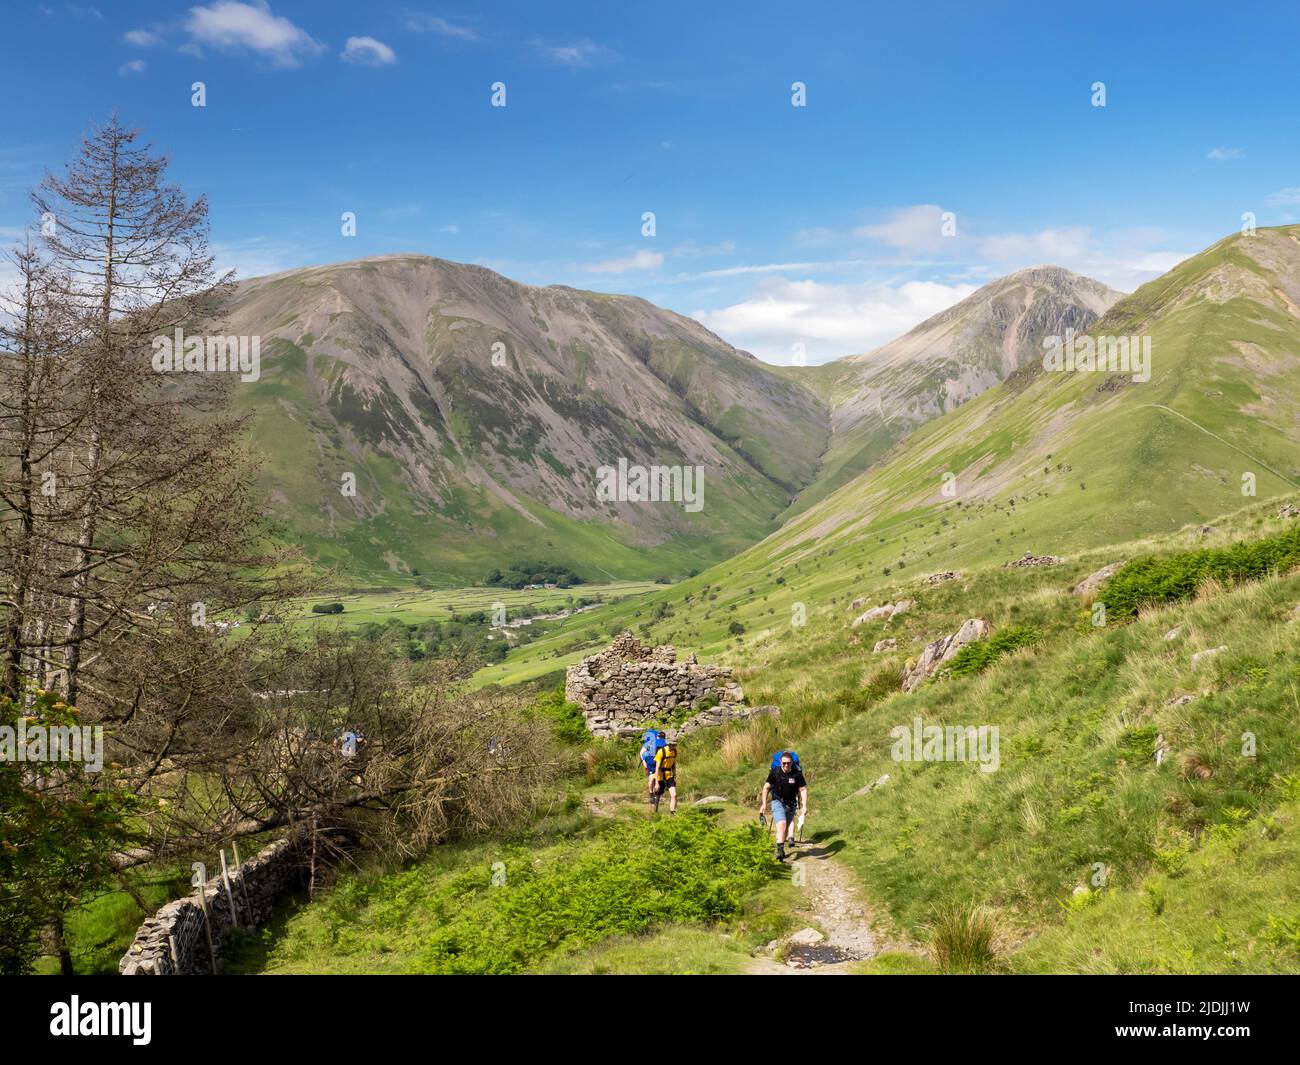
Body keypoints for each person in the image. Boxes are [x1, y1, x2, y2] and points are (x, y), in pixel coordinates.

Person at [760, 750, 808, 861]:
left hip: (791, 803)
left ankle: (781, 846)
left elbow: (803, 789)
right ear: (780, 762)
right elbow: (766, 787)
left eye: (788, 763)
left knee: (785, 826)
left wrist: (804, 806)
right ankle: (780, 850)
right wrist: (764, 803)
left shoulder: (797, 773)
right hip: (777, 801)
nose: (786, 765)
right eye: (784, 763)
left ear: (792, 763)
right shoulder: (775, 772)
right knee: (781, 824)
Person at [653, 739, 679, 813]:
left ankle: (673, 814)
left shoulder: (675, 751)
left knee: (674, 795)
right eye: (673, 745)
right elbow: (657, 767)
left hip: (669, 775)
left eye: (675, 745)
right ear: (669, 744)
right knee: (657, 797)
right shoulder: (661, 751)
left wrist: (674, 774)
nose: (674, 746)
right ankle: (654, 813)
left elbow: (673, 763)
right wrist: (656, 783)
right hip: (660, 776)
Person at [641, 729, 666, 802]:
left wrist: (644, 761)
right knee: (653, 777)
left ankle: (651, 794)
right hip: (655, 762)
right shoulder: (664, 743)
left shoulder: (649, 743)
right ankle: (652, 794)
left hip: (652, 762)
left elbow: (643, 753)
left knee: (652, 777)